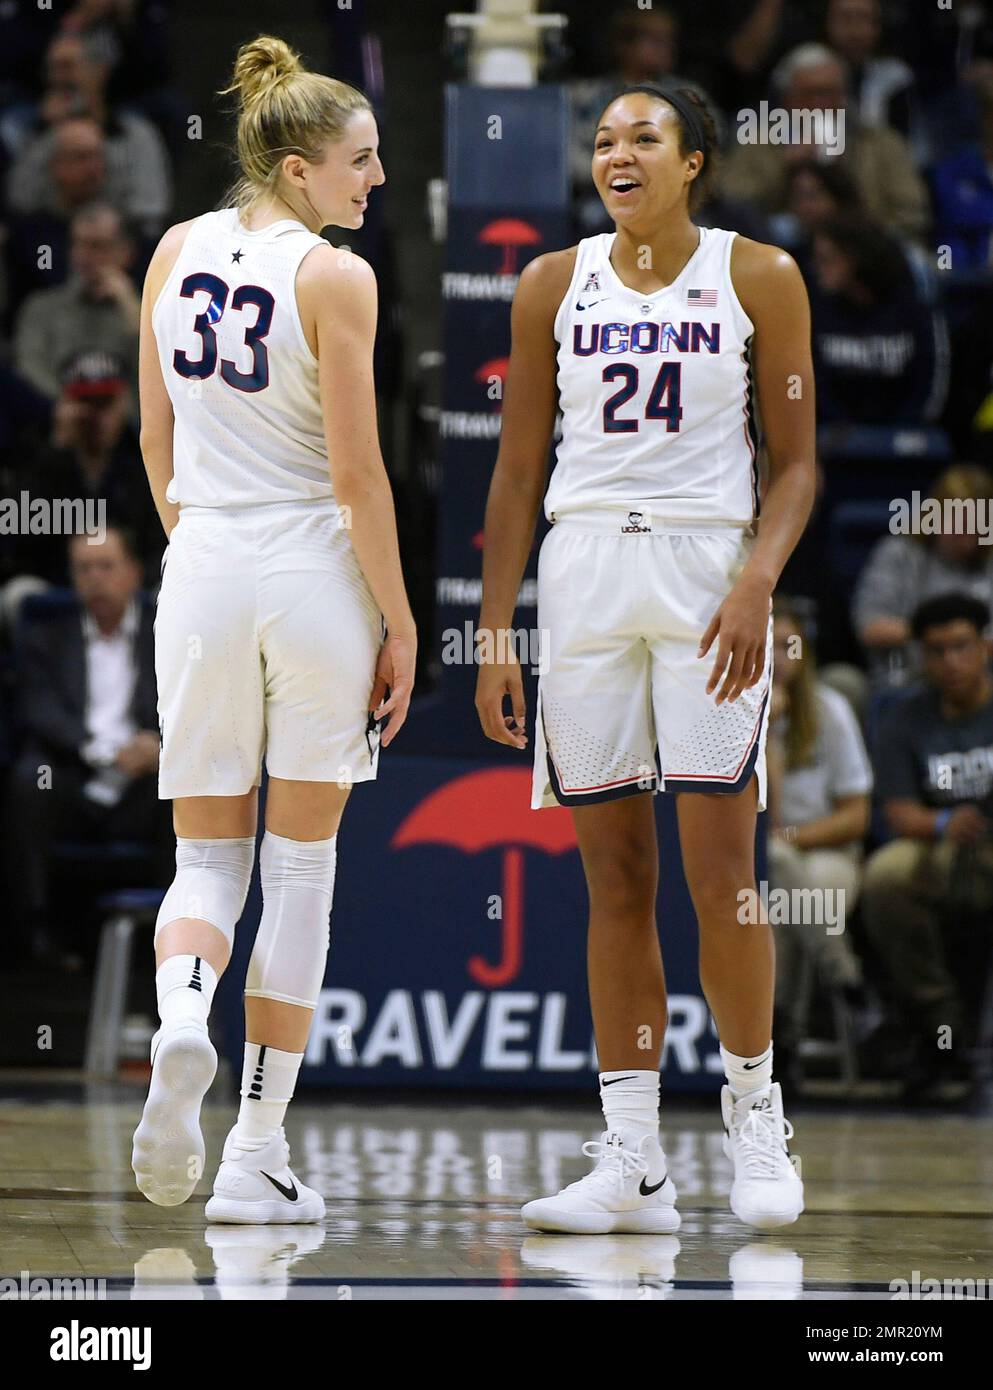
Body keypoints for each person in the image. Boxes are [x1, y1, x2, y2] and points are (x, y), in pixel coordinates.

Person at [476, 83, 815, 1232]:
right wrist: (495, 632)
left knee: (723, 871)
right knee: (614, 879)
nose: (617, 154)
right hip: (582, 581)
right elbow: (517, 472)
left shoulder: (759, 274)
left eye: (644, 138)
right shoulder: (547, 283)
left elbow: (801, 460)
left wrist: (757, 581)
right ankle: (634, 1161)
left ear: (696, 161)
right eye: (605, 140)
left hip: (707, 576)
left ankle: (757, 1115)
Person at [132, 35, 415, 1223]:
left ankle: (182, 1015)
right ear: (299, 170)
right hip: (311, 568)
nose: (380, 179)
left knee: (207, 859)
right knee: (303, 870)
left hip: (202, 556)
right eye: (362, 159)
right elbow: (359, 475)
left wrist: (202, 549)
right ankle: (255, 1148)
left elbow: (155, 445)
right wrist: (399, 622)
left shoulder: (171, 249)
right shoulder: (336, 277)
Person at [6, 527, 166, 966]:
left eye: (107, 566)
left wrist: (160, 746)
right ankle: (36, 940)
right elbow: (35, 707)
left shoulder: (167, 632)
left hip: (144, 776)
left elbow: (195, 702)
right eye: (84, 569)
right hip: (73, 770)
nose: (96, 578)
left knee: (183, 786)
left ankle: (168, 940)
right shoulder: (48, 636)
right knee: (28, 782)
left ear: (134, 573)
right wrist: (96, 750)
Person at [862, 593, 993, 1102]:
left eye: (961, 647)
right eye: (936, 650)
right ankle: (940, 1021)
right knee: (886, 876)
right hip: (943, 844)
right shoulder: (906, 719)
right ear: (921, 655)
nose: (950, 661)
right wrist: (941, 821)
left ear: (984, 648)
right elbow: (898, 811)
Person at [766, 600, 872, 1069]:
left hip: (830, 851)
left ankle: (779, 1038)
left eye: (787, 646)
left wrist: (793, 837)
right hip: (768, 857)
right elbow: (764, 822)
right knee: (780, 874)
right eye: (766, 646)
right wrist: (768, 732)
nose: (777, 658)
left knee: (785, 899)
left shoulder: (831, 710)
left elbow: (855, 817)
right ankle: (850, 988)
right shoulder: (729, 714)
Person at [721, 44, 929, 242]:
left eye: (830, 93)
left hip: (867, 254)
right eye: (810, 94)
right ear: (787, 99)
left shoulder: (881, 143)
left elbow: (912, 213)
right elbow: (730, 205)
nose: (821, 104)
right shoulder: (758, 144)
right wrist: (783, 168)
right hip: (778, 250)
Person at [852, 464, 993, 690]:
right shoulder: (899, 553)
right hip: (905, 678)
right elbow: (870, 627)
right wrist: (940, 634)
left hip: (980, 687)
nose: (967, 537)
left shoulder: (988, 563)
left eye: (977, 527)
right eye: (959, 524)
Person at [808, 212, 948, 427]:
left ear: (856, 258)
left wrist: (906, 429)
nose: (818, 268)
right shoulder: (816, 311)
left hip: (910, 441)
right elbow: (814, 385)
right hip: (834, 444)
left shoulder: (912, 309)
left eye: (827, 259)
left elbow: (930, 382)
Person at [15, 203, 140, 407]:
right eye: (77, 244)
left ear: (126, 252)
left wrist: (132, 310)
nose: (83, 257)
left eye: (97, 246)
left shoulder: (147, 312)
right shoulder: (41, 307)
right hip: (56, 426)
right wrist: (67, 406)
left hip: (130, 430)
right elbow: (29, 369)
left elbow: (157, 382)